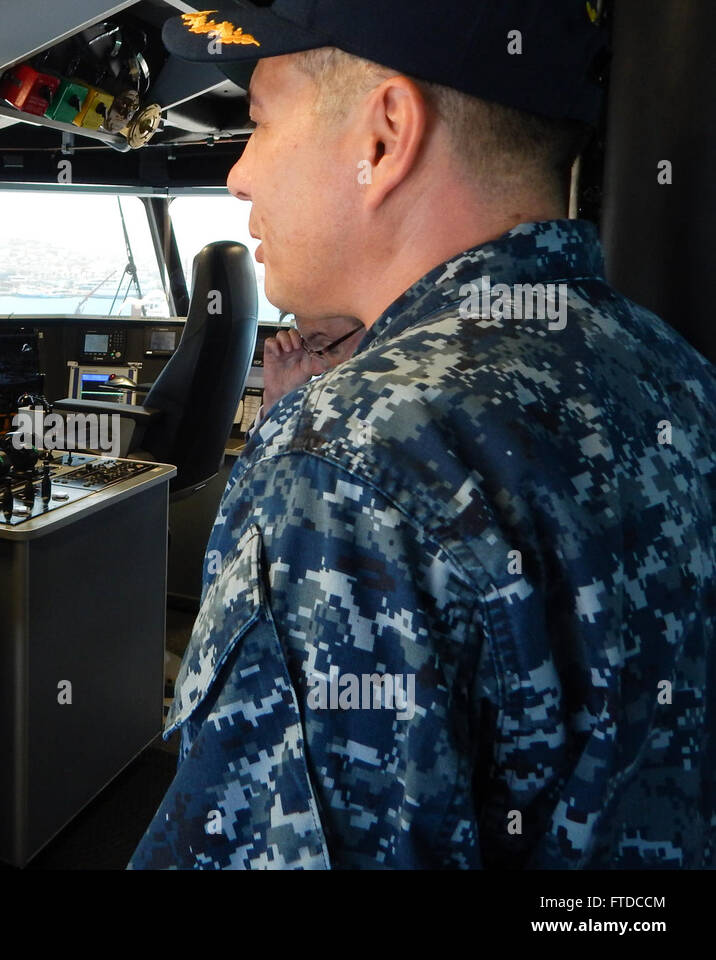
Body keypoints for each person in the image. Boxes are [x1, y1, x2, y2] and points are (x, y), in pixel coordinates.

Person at [132, 0, 716, 868]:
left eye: (257, 121)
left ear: (384, 135)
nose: (237, 176)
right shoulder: (674, 369)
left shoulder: (343, 463)